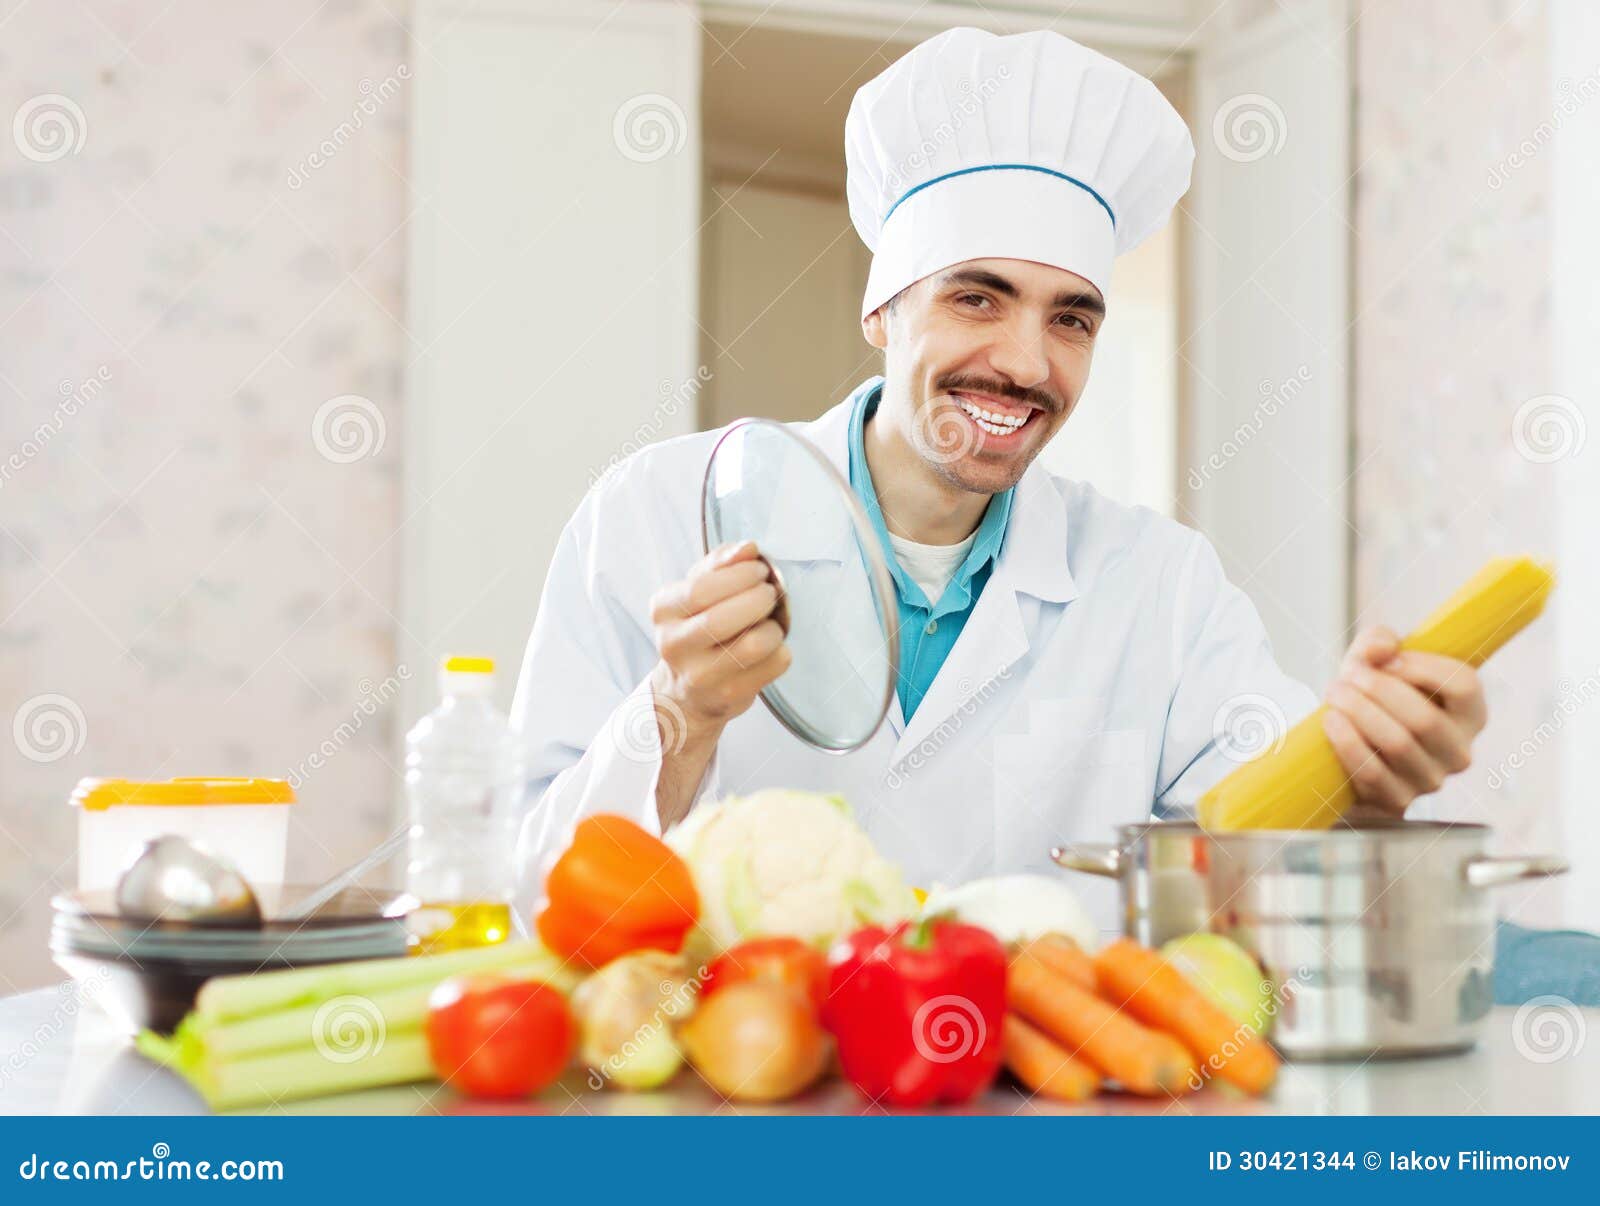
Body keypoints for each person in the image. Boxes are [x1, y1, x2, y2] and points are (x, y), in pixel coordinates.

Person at [509, 28, 1486, 932]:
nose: (1025, 363)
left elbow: (1248, 890)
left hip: (1047, 1100)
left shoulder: (1162, 584)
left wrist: (1365, 783)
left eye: (1071, 318)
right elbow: (530, 893)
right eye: (977, 296)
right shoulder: (651, 514)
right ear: (883, 312)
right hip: (731, 1094)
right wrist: (679, 718)